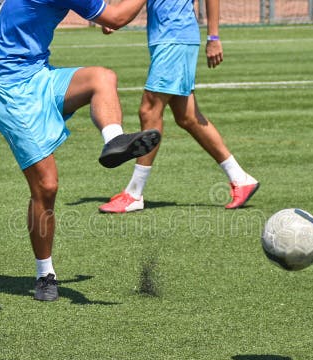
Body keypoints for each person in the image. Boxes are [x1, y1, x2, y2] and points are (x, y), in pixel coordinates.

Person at [0, 0, 161, 301]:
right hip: (8, 90)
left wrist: (106, 13)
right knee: (46, 186)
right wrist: (111, 14)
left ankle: (114, 140)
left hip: (40, 76)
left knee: (102, 77)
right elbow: (116, 18)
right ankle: (45, 274)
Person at [97, 0, 259, 214]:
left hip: (174, 38)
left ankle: (134, 194)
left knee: (149, 110)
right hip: (167, 38)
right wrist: (115, 15)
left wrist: (213, 37)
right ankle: (240, 178)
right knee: (188, 117)